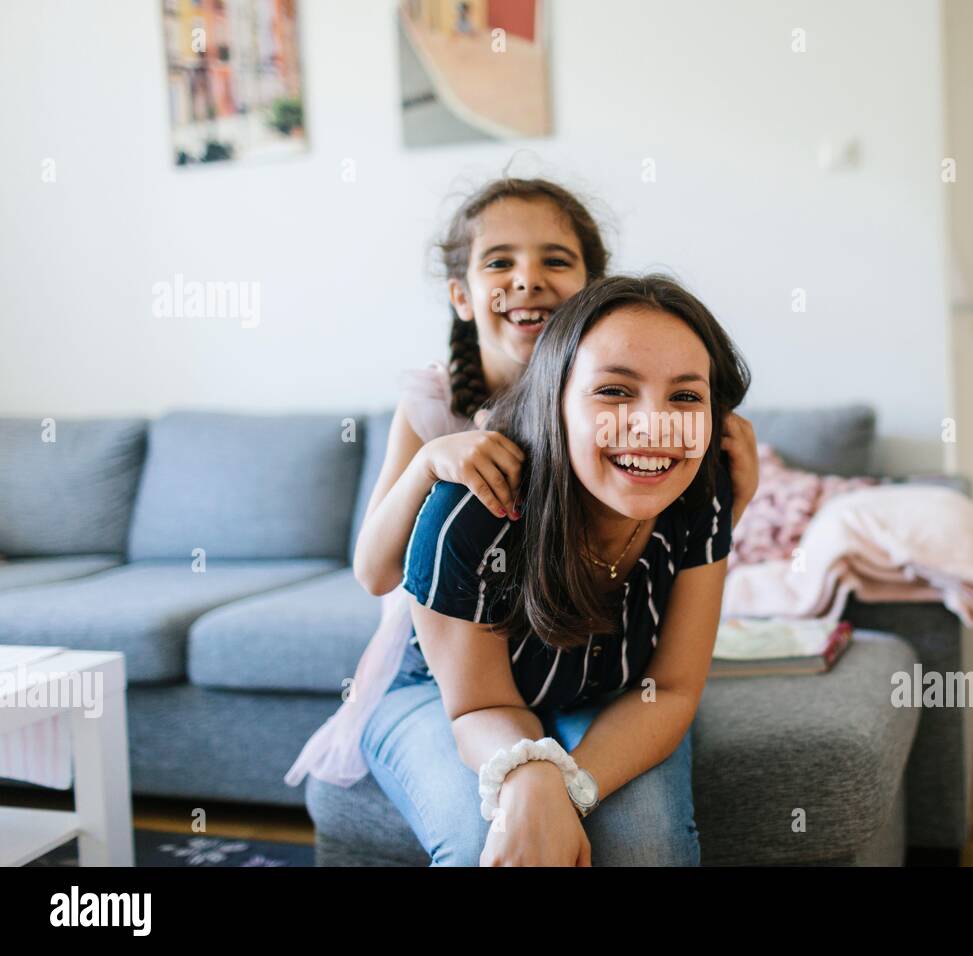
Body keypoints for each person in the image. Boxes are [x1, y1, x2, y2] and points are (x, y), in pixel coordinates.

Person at [284, 176, 758, 791]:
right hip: (448, 643)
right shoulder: (436, 406)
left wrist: (728, 505)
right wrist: (428, 465)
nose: (528, 279)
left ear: (594, 291)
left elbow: (670, 546)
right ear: (461, 295)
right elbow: (376, 573)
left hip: (570, 647)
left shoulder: (649, 423)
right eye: (500, 262)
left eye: (554, 261)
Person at [370, 273, 750, 865]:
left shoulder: (704, 492)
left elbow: (672, 689)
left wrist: (564, 783)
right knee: (487, 842)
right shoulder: (470, 513)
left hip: (611, 693)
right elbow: (477, 707)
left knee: (646, 843)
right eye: (614, 391)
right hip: (448, 698)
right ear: (555, 401)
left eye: (685, 396)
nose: (654, 427)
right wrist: (525, 775)